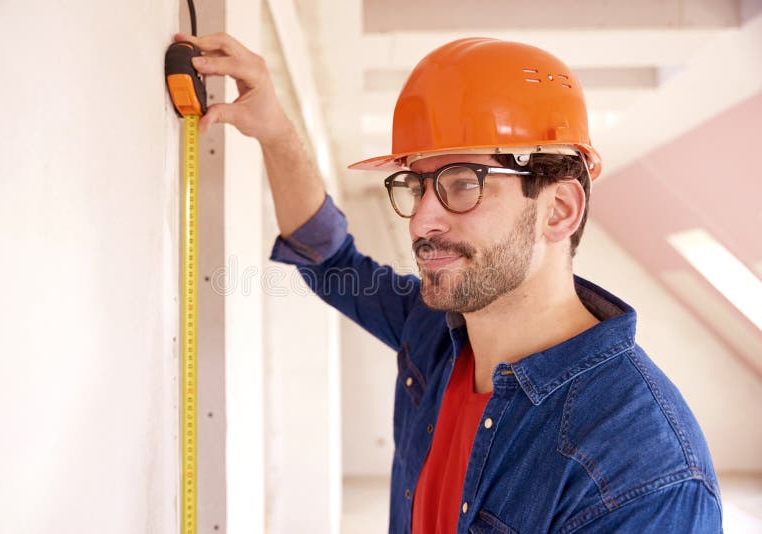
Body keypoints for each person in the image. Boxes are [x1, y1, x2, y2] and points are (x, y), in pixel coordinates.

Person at [175, 32, 723, 533]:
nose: (420, 221)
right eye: (417, 185)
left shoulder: (644, 471)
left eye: (463, 183)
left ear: (559, 210)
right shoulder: (436, 332)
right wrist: (274, 128)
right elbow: (330, 260)